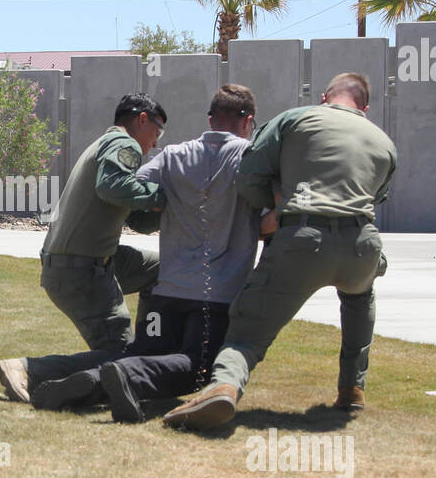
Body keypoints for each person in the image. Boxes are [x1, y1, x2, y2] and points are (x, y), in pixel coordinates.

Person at [163, 73, 398, 429]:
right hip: (362, 244)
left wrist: (268, 213)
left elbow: (249, 176)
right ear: (364, 107)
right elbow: (376, 195)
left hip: (302, 238)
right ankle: (352, 388)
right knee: (360, 299)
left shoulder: (296, 118)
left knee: (248, 331)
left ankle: (224, 386)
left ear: (324, 98)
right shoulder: (384, 142)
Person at [30, 85, 277, 422]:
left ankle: (82, 383)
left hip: (165, 295)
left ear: (210, 119)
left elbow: (130, 200)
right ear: (248, 121)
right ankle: (126, 377)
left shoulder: (173, 155)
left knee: (148, 351)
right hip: (214, 297)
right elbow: (270, 217)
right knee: (199, 367)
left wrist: (170, 207)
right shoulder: (250, 159)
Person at [0, 93, 166, 403]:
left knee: (162, 268)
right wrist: (165, 195)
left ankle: (150, 345)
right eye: (158, 131)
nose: (155, 143)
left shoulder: (103, 145)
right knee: (123, 358)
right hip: (82, 270)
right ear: (142, 120)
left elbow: (137, 220)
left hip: (75, 264)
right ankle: (29, 370)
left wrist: (168, 212)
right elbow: (113, 187)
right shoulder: (124, 145)